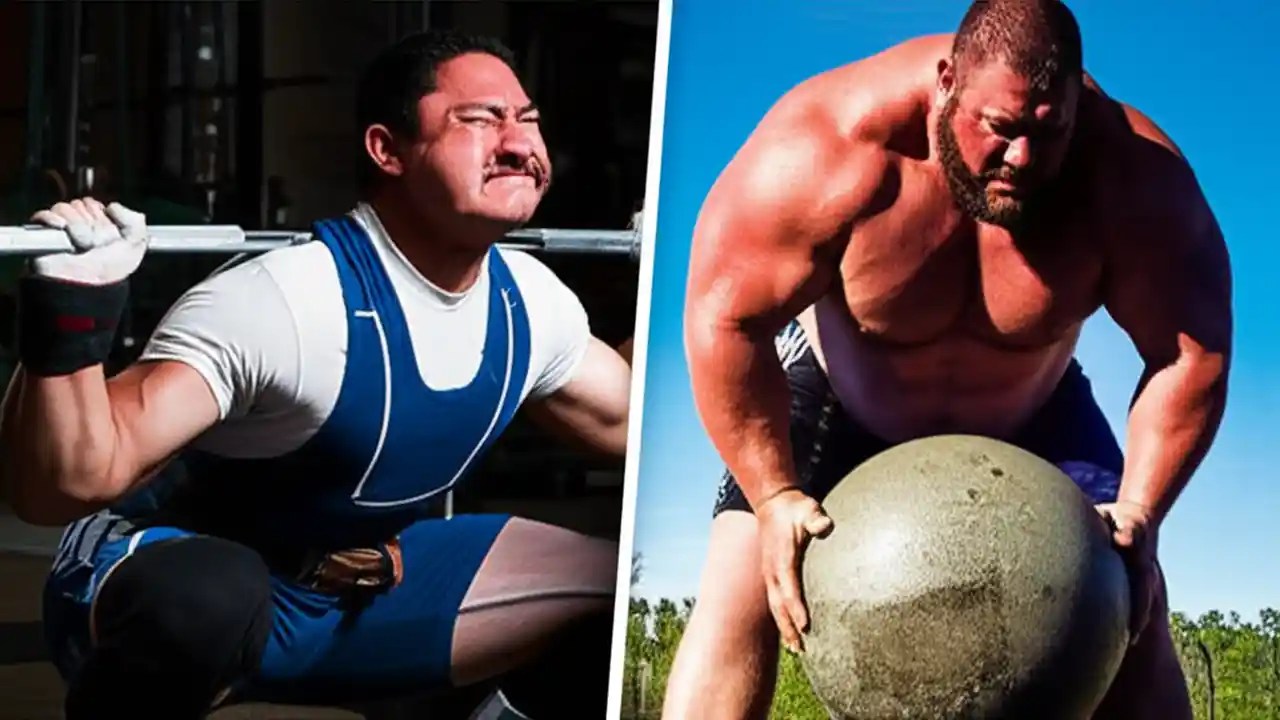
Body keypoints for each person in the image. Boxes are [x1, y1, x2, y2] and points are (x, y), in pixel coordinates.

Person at [1, 29, 634, 719]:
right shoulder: (287, 303)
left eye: (528, 121)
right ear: (387, 150)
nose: (518, 144)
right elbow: (64, 486)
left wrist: (698, 278)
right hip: (171, 594)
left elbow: (636, 421)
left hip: (359, 595)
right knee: (211, 595)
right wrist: (71, 314)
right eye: (479, 121)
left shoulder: (532, 305)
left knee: (630, 585)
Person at [667, 1, 1231, 718]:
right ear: (945, 83)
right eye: (1000, 128)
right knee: (741, 585)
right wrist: (774, 496)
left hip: (1036, 403)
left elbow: (1190, 355)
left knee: (1131, 603)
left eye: (1048, 130)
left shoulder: (1131, 181)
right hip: (843, 390)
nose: (1022, 157)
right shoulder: (830, 146)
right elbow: (725, 316)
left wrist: (1143, 510)